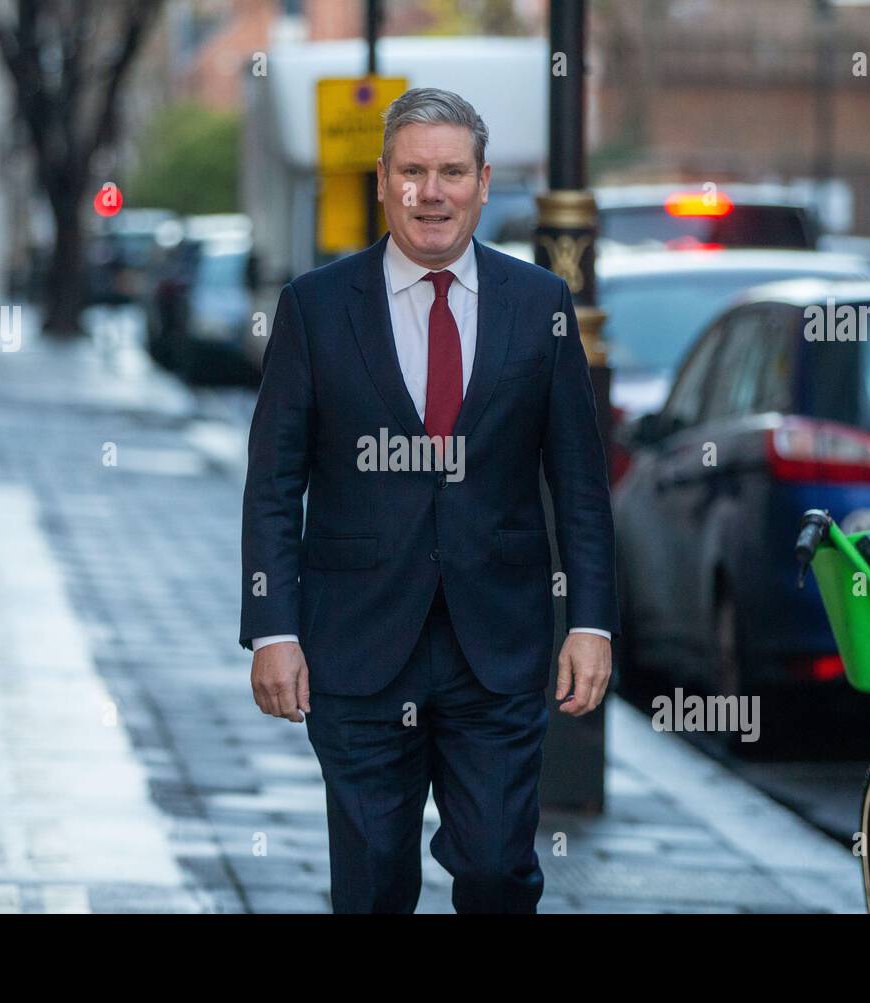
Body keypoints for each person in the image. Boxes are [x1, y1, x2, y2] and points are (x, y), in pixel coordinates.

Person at [239, 87, 619, 913]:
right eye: (413, 172)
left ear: (484, 183)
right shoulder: (315, 307)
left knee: (494, 869)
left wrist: (589, 622)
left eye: (452, 171)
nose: (432, 191)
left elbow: (581, 486)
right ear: (384, 181)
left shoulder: (540, 307)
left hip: (499, 647)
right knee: (374, 882)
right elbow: (274, 482)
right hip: (357, 646)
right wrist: (273, 628)